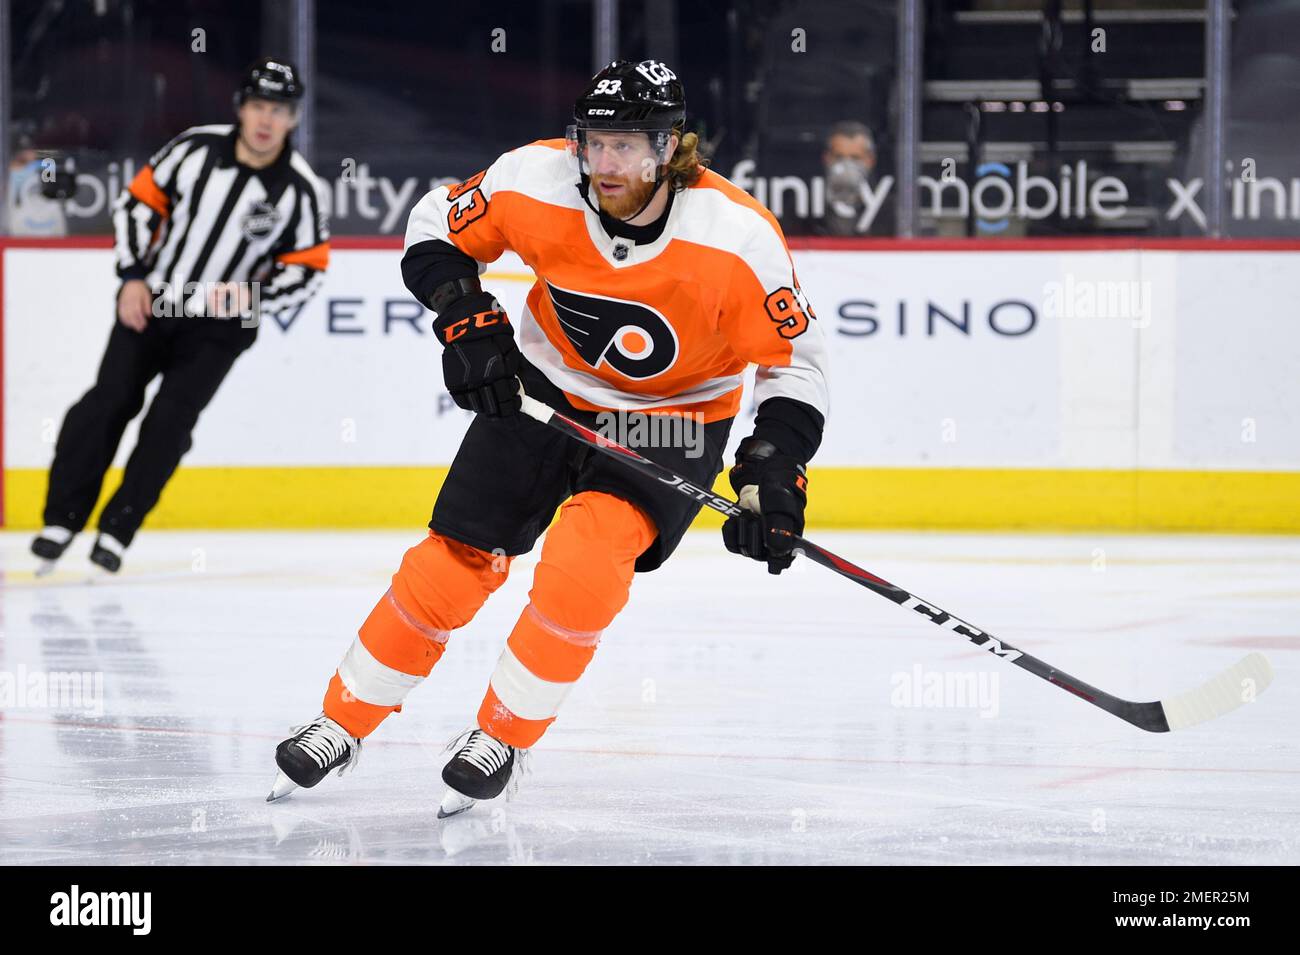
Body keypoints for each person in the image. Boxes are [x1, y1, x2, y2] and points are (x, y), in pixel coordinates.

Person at [270, 59, 830, 816]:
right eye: (594, 142)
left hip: (670, 418)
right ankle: (341, 719)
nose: (604, 163)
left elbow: (794, 365)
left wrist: (774, 468)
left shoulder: (736, 237)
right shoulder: (534, 178)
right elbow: (436, 225)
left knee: (584, 561)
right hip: (544, 392)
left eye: (627, 145)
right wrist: (465, 318)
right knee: (452, 561)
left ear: (670, 148)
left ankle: (502, 733)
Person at [31, 58, 330, 573]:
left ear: (293, 119)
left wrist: (250, 298)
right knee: (107, 403)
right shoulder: (194, 149)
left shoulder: (300, 190)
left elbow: (308, 269)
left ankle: (119, 529)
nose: (266, 119)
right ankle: (63, 519)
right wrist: (131, 276)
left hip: (220, 330)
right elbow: (137, 205)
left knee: (170, 423)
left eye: (278, 110)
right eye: (258, 105)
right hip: (154, 303)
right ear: (241, 107)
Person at [818, 120, 885, 236]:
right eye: (839, 157)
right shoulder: (805, 207)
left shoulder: (887, 210)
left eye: (855, 158)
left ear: (870, 160)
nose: (847, 165)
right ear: (826, 158)